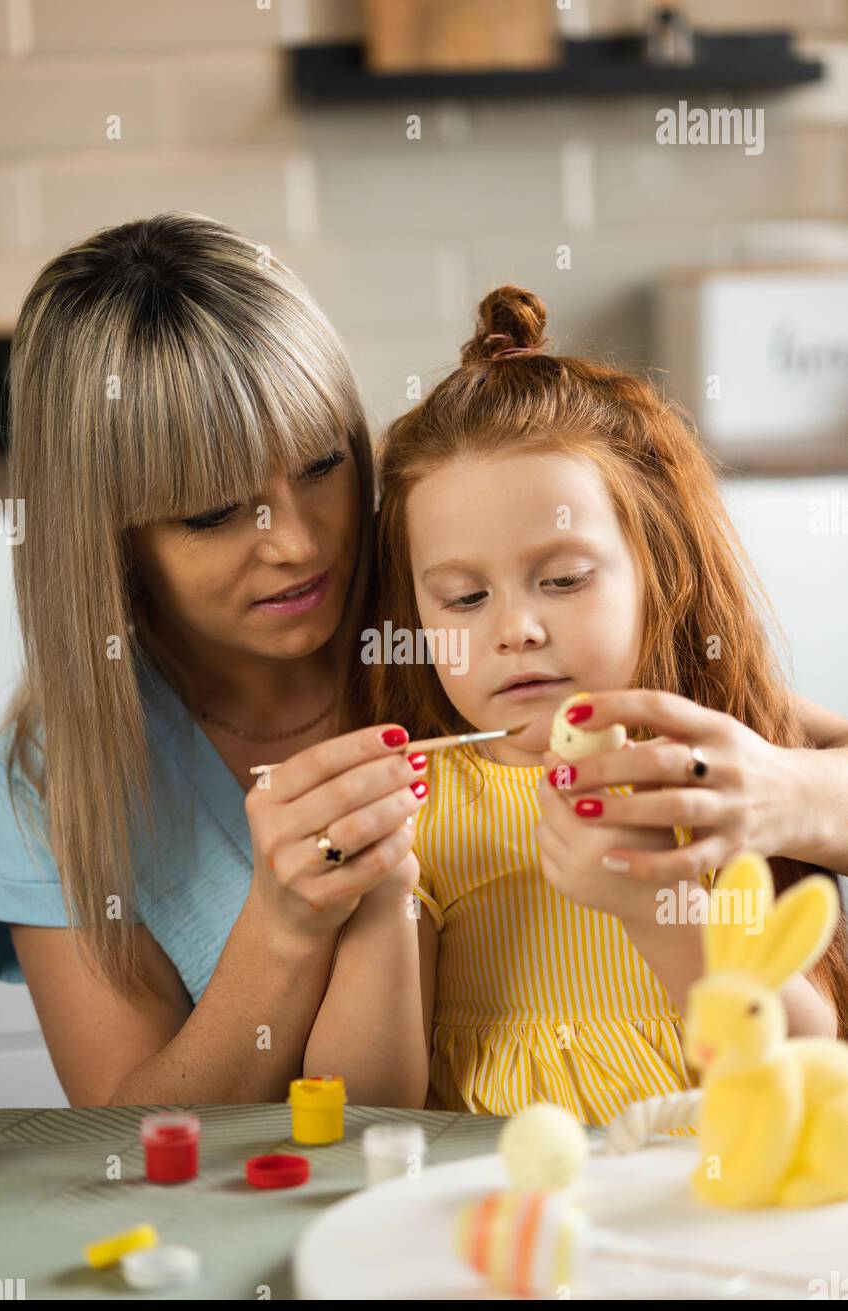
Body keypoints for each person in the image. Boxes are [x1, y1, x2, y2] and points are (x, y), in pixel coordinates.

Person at [301, 284, 848, 1124]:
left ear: (656, 571)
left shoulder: (706, 773)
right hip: (496, 1194)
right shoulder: (425, 810)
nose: (516, 629)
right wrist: (381, 893)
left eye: (563, 581)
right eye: (461, 599)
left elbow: (810, 1065)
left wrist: (651, 902)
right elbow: (361, 1107)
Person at [0, 212, 428, 1108]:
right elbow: (129, 1138)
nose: (297, 545)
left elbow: (756, 738)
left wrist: (794, 792)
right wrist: (285, 923)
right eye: (214, 514)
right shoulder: (48, 786)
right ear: (106, 538)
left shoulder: (466, 615)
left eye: (320, 464)